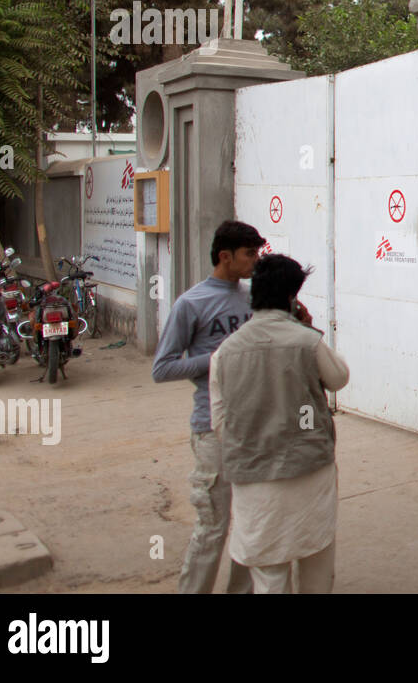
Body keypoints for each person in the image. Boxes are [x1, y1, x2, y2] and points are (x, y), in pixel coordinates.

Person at [209, 254, 349, 594]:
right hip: (309, 472)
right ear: (292, 298)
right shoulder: (306, 341)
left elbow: (220, 423)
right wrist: (307, 328)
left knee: (269, 575)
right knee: (316, 566)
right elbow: (338, 378)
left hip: (253, 480)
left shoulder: (224, 353)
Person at [153, 220, 265, 594]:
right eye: (249, 254)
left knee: (252, 523)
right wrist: (217, 359)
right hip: (213, 429)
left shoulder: (254, 298)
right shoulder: (191, 303)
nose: (255, 260)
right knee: (213, 525)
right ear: (225, 256)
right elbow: (162, 368)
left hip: (256, 427)